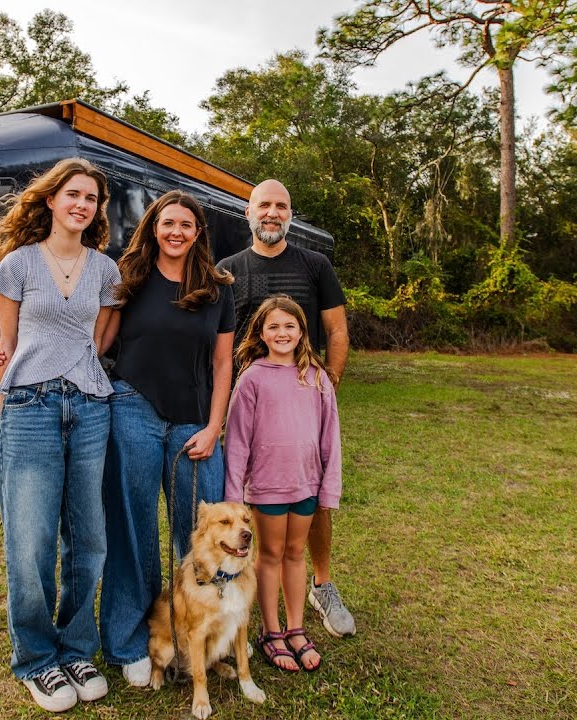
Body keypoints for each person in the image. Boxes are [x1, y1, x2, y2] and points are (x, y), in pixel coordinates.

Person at [0, 158, 122, 713]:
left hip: (90, 407)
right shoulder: (17, 265)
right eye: (73, 194)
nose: (82, 204)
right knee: (31, 540)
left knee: (89, 540)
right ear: (50, 200)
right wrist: (4, 402)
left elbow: (102, 343)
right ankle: (38, 659)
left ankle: (77, 647)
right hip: (30, 408)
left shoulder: (106, 271)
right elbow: (7, 348)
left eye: (91, 198)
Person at [97, 190, 236, 687]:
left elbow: (223, 363)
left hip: (194, 424)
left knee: (198, 541)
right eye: (167, 222)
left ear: (198, 233)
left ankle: (197, 639)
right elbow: (96, 343)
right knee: (132, 533)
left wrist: (214, 427)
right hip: (132, 408)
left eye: (186, 224)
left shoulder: (218, 288)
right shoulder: (127, 279)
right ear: (153, 226)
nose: (175, 231)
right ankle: (129, 641)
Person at [215, 178, 356, 638]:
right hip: (246, 407)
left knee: (311, 497)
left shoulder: (315, 265)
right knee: (244, 497)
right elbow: (213, 343)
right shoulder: (228, 270)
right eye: (263, 205)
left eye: (281, 205)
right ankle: (238, 594)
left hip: (301, 406)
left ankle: (322, 584)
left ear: (289, 214)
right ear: (248, 212)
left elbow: (336, 332)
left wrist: (325, 388)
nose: (272, 213)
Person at [224, 295, 341, 673]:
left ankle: (295, 628)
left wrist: (328, 487)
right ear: (260, 332)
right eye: (273, 326)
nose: (282, 332)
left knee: (295, 554)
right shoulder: (252, 377)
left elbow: (330, 439)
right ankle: (271, 631)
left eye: (290, 325)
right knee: (270, 555)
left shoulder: (318, 377)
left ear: (302, 331)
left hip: (305, 485)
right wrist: (232, 498)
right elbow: (237, 441)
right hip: (267, 487)